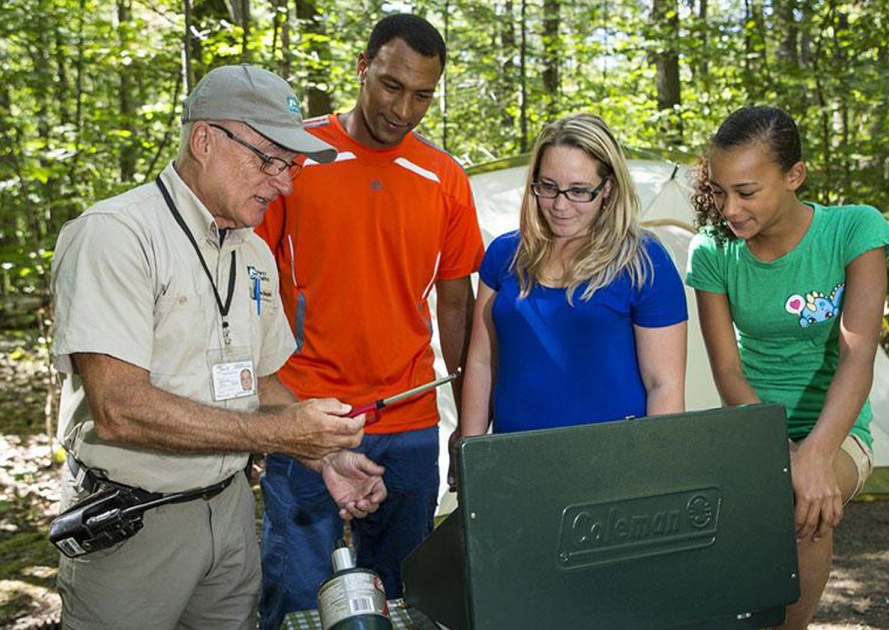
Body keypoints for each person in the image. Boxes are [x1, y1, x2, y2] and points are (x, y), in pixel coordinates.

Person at [50, 65, 388, 630]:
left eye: (292, 166)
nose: (284, 183)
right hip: (135, 523)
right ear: (204, 140)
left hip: (230, 510)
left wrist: (322, 455)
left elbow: (266, 384)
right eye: (268, 160)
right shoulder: (117, 234)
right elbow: (119, 408)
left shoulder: (253, 251)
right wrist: (277, 434)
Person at [254, 13, 484, 629]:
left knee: (408, 597)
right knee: (299, 597)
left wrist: (464, 421)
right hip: (306, 418)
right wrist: (264, 408)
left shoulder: (443, 178)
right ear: (362, 68)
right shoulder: (294, 159)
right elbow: (247, 288)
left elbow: (455, 303)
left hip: (408, 418)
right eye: (390, 85)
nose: (403, 109)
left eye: (422, 95)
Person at [685, 105, 889, 629]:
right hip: (754, 424)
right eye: (719, 190)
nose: (729, 208)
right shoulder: (712, 252)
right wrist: (779, 449)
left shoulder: (854, 230)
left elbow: (857, 355)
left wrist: (814, 456)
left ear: (794, 176)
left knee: (799, 502)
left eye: (747, 191)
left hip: (840, 428)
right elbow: (729, 373)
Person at [457, 112, 687, 445]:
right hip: (513, 461)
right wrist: (471, 448)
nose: (560, 205)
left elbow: (663, 385)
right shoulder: (503, 255)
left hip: (614, 462)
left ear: (607, 188)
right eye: (548, 187)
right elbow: (481, 361)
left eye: (579, 191)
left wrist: (654, 474)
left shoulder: (644, 262)